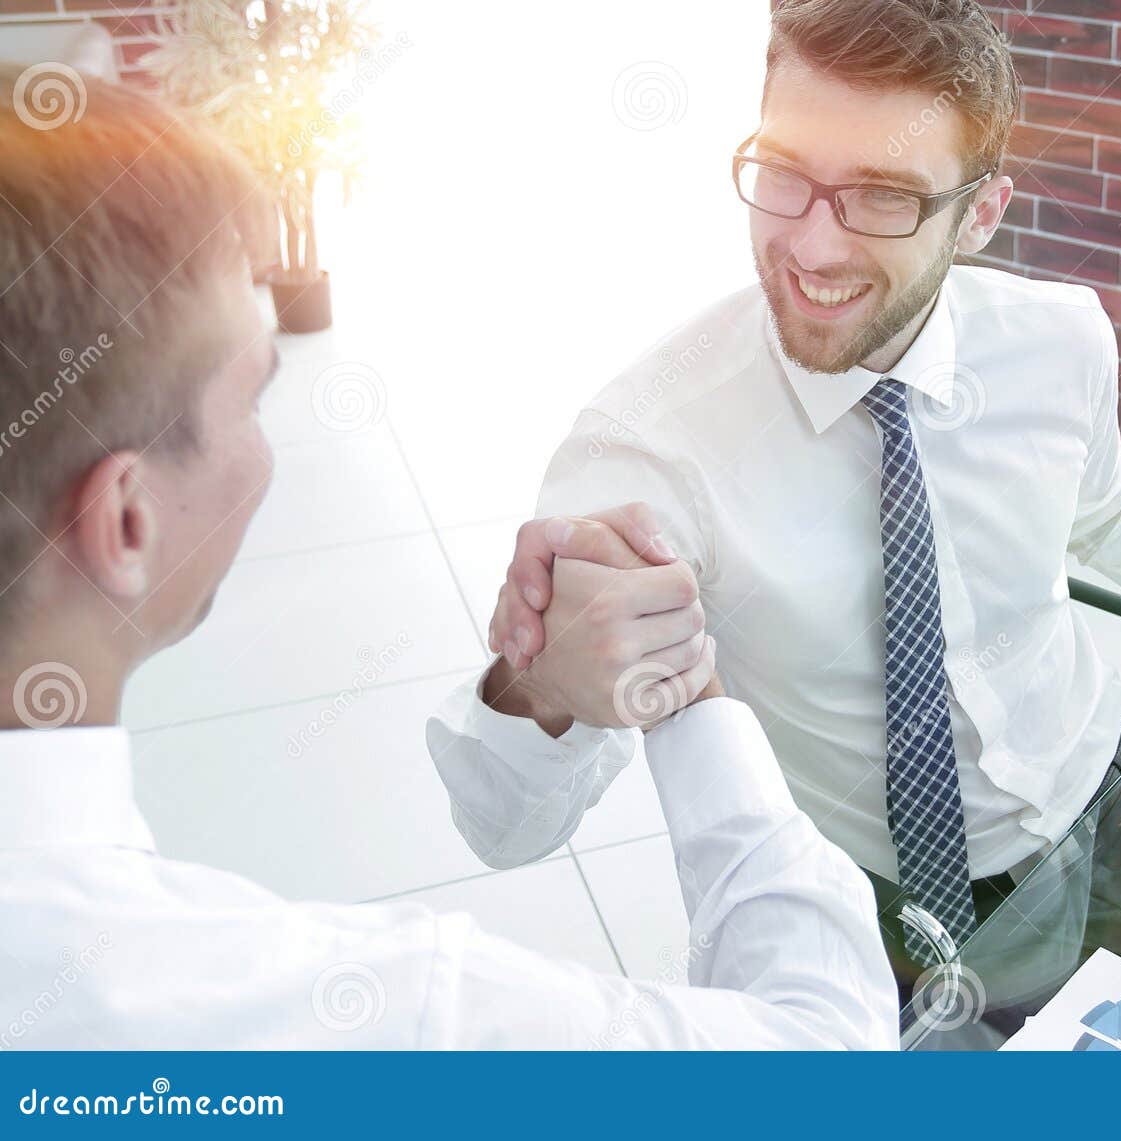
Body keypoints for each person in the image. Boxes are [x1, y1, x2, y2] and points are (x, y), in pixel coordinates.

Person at [426, 0, 1121, 1014]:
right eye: (785, 175)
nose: (813, 247)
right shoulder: (647, 452)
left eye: (881, 196)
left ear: (981, 214)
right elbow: (501, 829)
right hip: (890, 922)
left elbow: (1111, 508)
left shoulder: (1059, 341)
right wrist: (545, 692)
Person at [0, 64, 895, 1050]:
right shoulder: (330, 1016)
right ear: (126, 523)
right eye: (256, 396)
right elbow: (831, 1059)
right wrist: (686, 690)